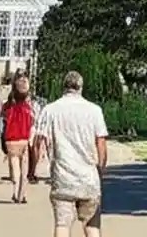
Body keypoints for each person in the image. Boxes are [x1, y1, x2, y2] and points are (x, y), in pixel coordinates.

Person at [34, 71, 108, 237]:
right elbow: (101, 143)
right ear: (81, 87)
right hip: (88, 176)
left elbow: (38, 141)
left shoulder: (50, 110)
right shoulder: (94, 110)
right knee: (92, 225)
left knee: (62, 223)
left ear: (64, 87)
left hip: (62, 176)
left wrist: (34, 169)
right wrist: (101, 169)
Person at [1, 74, 40, 203]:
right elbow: (32, 122)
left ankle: (15, 191)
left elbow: (3, 121)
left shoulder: (7, 106)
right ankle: (21, 194)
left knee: (15, 167)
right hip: (24, 138)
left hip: (11, 139)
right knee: (24, 168)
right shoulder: (27, 107)